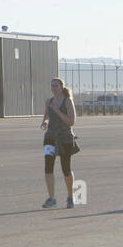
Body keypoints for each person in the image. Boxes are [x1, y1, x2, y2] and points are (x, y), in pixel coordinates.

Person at [40, 78, 77, 209]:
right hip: (50, 137)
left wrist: (57, 111)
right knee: (48, 167)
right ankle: (51, 198)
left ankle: (70, 197)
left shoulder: (67, 101)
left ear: (61, 87)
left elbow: (71, 122)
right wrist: (44, 122)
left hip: (65, 138)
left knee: (65, 168)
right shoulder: (49, 102)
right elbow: (46, 116)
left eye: (56, 86)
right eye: (52, 86)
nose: (53, 88)